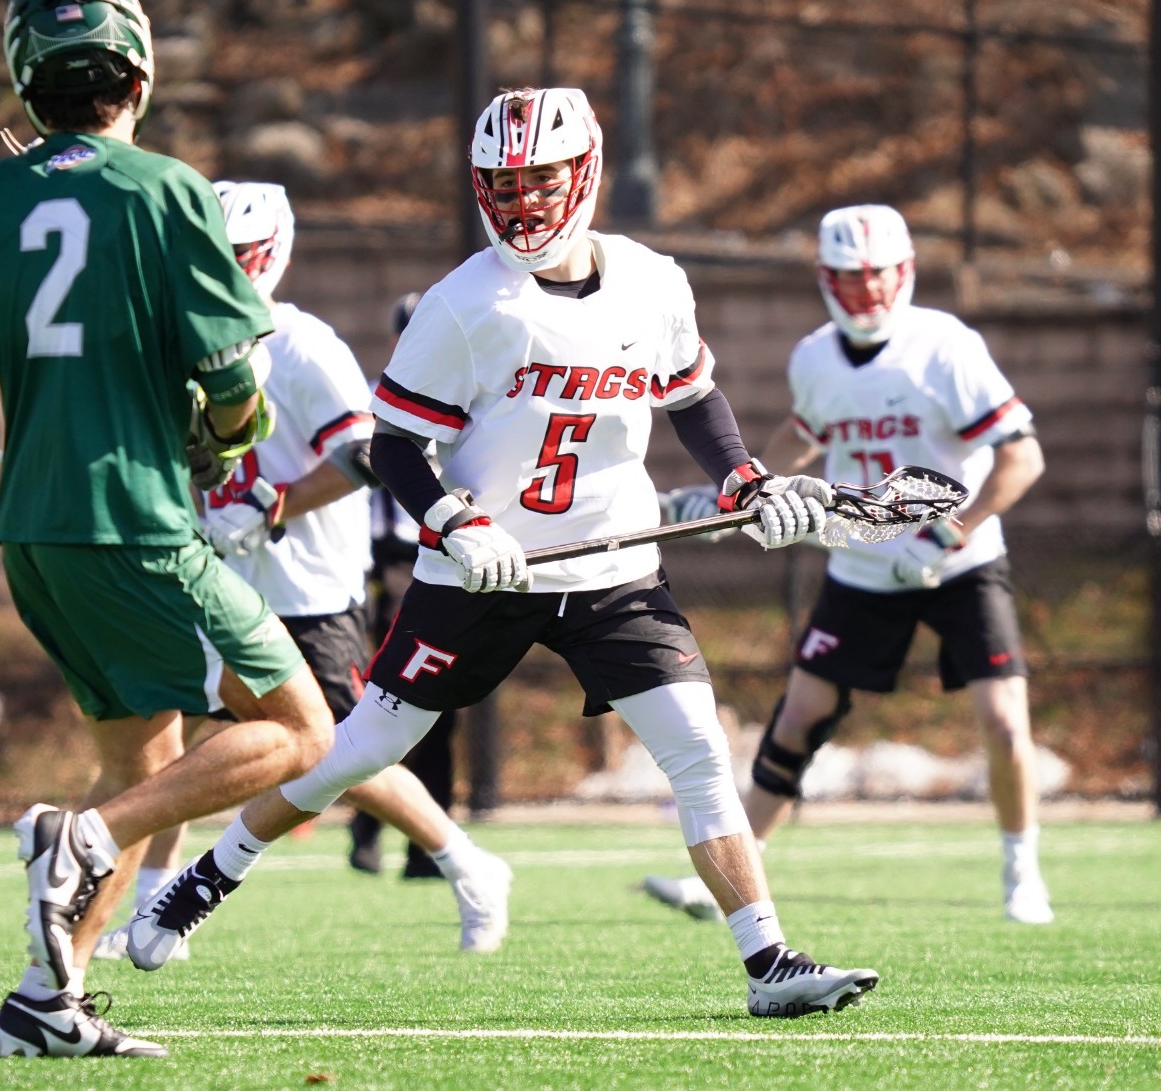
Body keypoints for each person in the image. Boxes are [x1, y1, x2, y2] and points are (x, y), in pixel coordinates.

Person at [104, 87, 881, 1020]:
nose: (522, 199)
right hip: (480, 572)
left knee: (700, 751)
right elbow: (392, 447)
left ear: (585, 169)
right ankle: (202, 881)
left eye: (540, 177)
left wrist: (748, 482)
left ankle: (767, 961)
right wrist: (455, 523)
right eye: (502, 181)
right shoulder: (466, 303)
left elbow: (693, 399)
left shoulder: (653, 280)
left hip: (610, 572)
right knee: (356, 751)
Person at [0, 0, 338, 1058]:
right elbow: (233, 382)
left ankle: (51, 999)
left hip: (35, 534)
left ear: (28, 86)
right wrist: (225, 434)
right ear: (139, 80)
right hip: (138, 521)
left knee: (150, 774)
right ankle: (75, 838)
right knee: (301, 732)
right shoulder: (168, 190)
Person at [91, 183, 511, 963]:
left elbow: (368, 455)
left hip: (307, 587)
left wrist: (267, 501)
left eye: (240, 256)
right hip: (218, 576)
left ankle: (467, 861)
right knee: (175, 739)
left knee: (337, 753)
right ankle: (155, 908)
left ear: (272, 252)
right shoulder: (181, 341)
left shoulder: (303, 345)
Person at [643, 204, 1053, 926]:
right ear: (825, 279)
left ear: (905, 272)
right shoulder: (814, 357)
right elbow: (802, 438)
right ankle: (741, 872)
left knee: (1003, 720)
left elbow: (1022, 456)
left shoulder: (945, 347)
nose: (864, 292)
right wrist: (740, 487)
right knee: (799, 715)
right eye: (848, 278)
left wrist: (955, 533)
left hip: (957, 564)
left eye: (877, 276)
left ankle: (1023, 869)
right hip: (864, 564)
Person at [350, 291, 463, 880]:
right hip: (384, 562)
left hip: (447, 555)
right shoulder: (380, 393)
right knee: (383, 699)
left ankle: (428, 846)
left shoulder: (469, 387)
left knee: (436, 706)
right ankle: (367, 832)